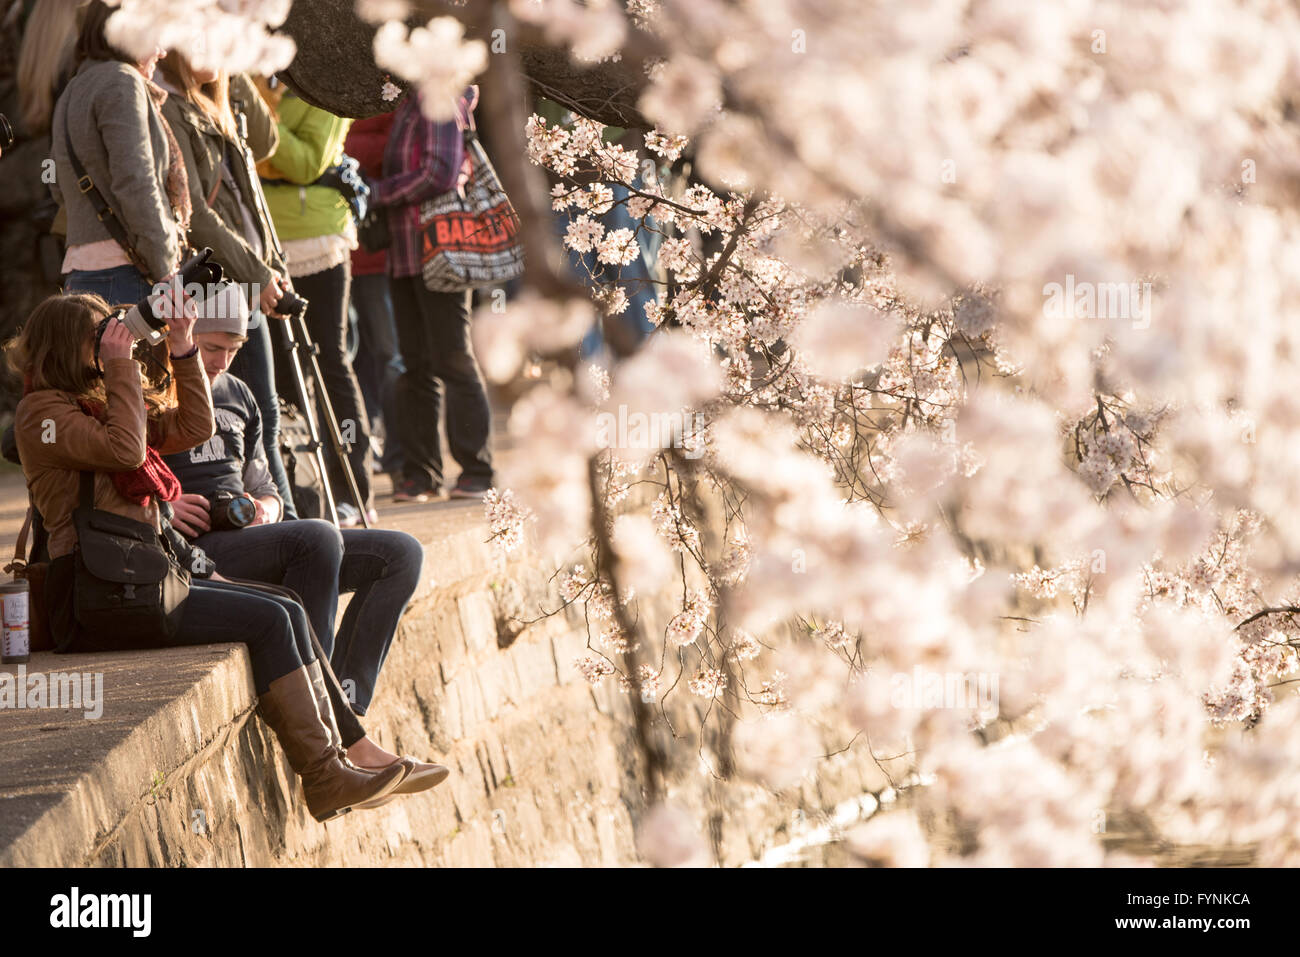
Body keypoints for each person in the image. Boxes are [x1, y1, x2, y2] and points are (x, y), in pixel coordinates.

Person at [8, 291, 408, 822]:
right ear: (68, 346)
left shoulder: (105, 402)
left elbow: (195, 427)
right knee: (268, 618)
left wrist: (181, 348)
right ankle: (325, 773)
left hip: (140, 576)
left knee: (284, 604)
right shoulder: (42, 414)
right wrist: (121, 365)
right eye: (97, 335)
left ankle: (337, 758)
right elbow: (127, 451)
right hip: (96, 595)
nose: (111, 340)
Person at [160, 302, 447, 792]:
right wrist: (166, 507)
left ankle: (345, 702)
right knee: (318, 534)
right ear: (180, 335)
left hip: (252, 536)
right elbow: (119, 476)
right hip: (195, 552)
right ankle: (333, 727)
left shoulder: (238, 394)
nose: (220, 362)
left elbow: (265, 482)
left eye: (232, 351)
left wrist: (266, 507)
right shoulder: (152, 392)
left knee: (401, 553)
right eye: (210, 348)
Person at [155, 50, 298, 517]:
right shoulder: (169, 104)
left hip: (246, 273)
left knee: (264, 413)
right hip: (217, 274)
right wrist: (257, 272)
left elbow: (268, 140)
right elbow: (196, 211)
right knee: (236, 401)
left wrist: (232, 69)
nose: (210, 46)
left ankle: (280, 520)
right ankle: (279, 528)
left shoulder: (216, 98)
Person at [366, 86, 495, 502]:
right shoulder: (406, 102)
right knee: (417, 366)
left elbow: (439, 173)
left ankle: (477, 470)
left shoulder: (440, 97)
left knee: (454, 360)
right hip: (404, 255)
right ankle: (421, 475)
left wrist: (378, 193)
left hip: (441, 252)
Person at [257, 84, 375, 526]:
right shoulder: (250, 74)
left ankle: (351, 489)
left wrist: (262, 124)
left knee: (329, 361)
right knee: (280, 375)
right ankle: (304, 493)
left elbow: (307, 163)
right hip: (263, 246)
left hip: (318, 240)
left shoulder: (324, 82)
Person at [51, 1, 187, 302]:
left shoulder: (73, 88)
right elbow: (135, 180)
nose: (162, 51)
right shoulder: (122, 82)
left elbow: (51, 176)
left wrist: (85, 205)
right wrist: (165, 264)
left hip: (82, 270)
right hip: (125, 272)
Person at [344, 110, 406, 484]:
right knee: (349, 359)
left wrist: (342, 155)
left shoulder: (385, 92)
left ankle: (398, 455)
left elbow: (392, 149)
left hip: (378, 254)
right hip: (335, 254)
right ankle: (363, 450)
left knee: (390, 355)